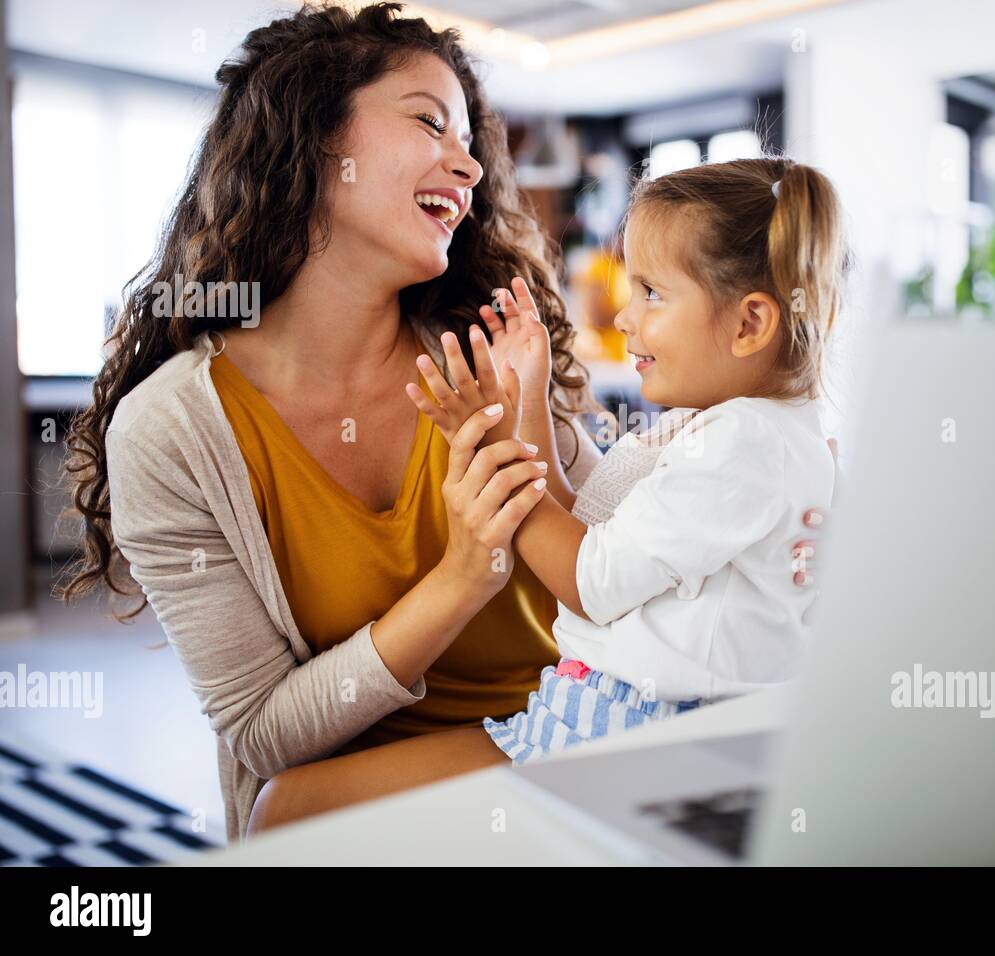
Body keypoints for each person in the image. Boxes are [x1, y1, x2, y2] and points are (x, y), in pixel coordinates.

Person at [56, 3, 825, 843]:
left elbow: (614, 549)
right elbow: (265, 733)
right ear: (312, 143)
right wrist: (461, 577)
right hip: (399, 787)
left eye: (468, 141)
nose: (469, 168)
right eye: (429, 123)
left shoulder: (493, 353)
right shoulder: (170, 434)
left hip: (571, 732)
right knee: (285, 815)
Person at [248, 157, 845, 831]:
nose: (624, 314)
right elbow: (586, 523)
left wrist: (489, 444)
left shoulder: (740, 445)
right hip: (610, 723)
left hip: (627, 743)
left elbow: (582, 579)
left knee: (284, 809)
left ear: (749, 325)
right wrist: (527, 398)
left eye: (652, 293)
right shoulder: (756, 429)